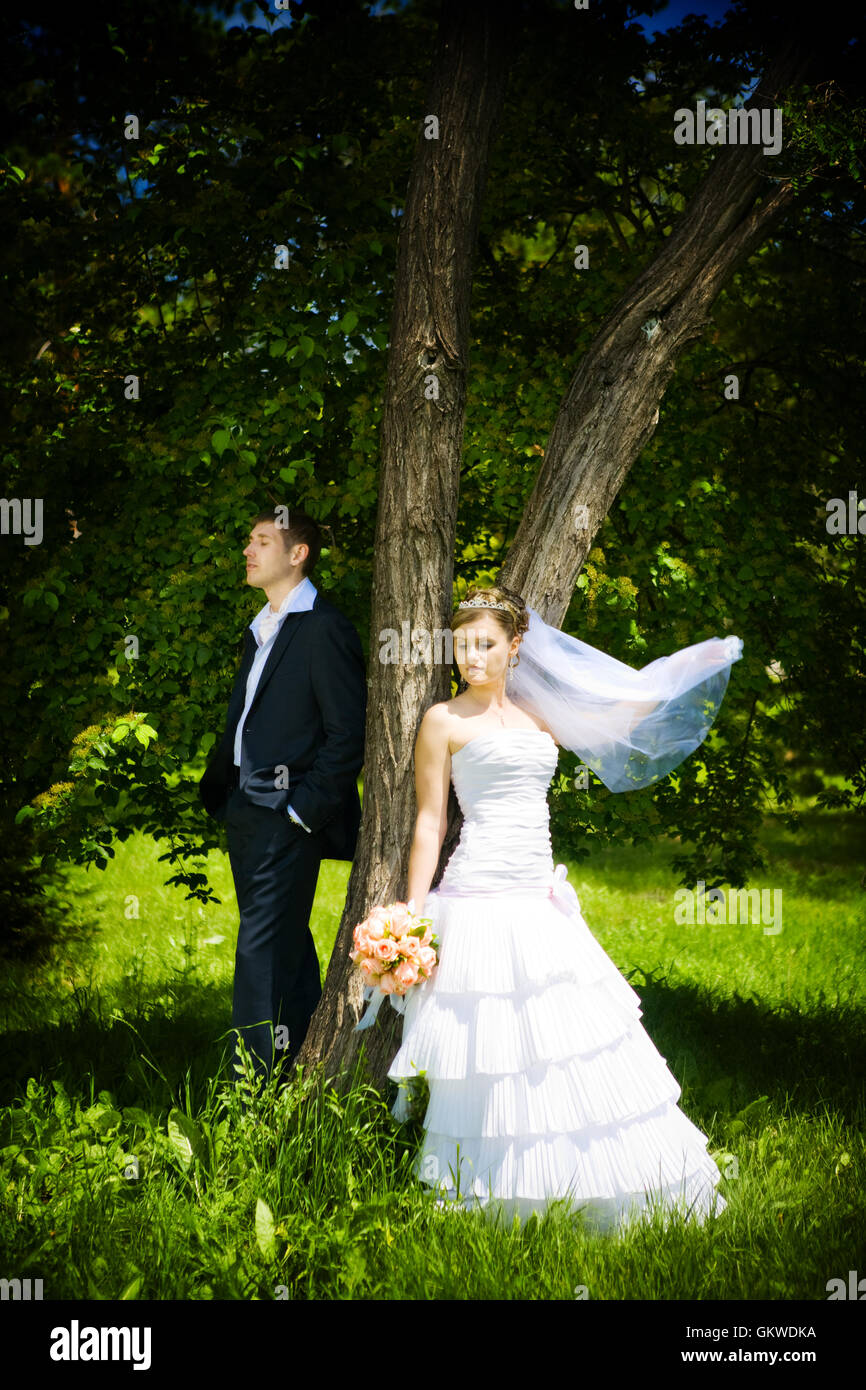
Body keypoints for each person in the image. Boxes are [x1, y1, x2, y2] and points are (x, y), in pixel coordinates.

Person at [387, 583, 742, 1231]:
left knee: (562, 1040)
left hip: (539, 897)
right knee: (489, 1047)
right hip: (476, 897)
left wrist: (694, 663)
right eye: (462, 644)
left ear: (515, 647)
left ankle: (581, 1179)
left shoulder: (539, 714)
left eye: (485, 644)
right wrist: (411, 917)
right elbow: (430, 824)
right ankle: (490, 1192)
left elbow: (623, 719)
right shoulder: (443, 720)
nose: (471, 656)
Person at [199, 508, 366, 1082]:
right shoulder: (263, 626)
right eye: (249, 540)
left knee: (260, 954)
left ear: (298, 554)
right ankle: (298, 1065)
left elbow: (348, 734)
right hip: (244, 808)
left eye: (262, 541)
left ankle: (251, 1093)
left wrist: (302, 811)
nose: (248, 550)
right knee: (282, 944)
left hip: (286, 814)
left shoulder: (323, 627)